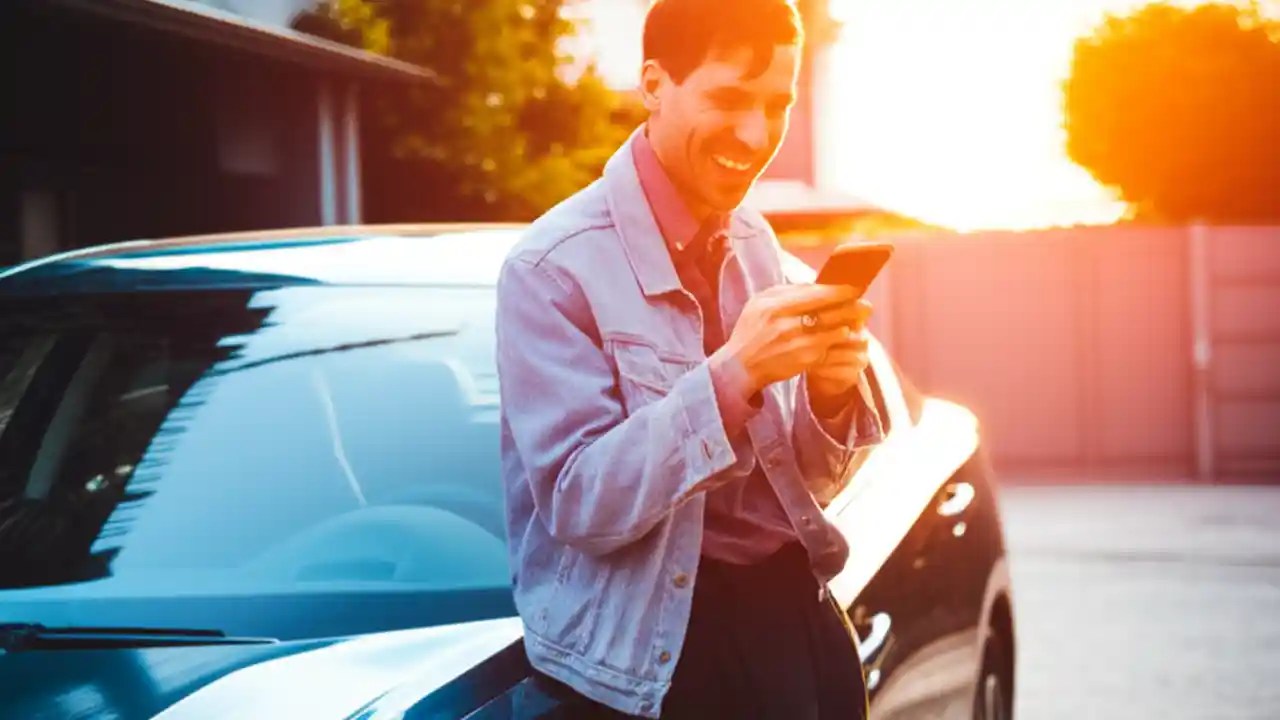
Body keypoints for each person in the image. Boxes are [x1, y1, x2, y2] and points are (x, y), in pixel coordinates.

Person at [495, 0, 883, 716]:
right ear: (652, 84)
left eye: (777, 104)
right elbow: (581, 503)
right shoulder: (551, 271)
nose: (757, 133)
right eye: (729, 99)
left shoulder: (757, 242)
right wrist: (732, 377)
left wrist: (828, 396)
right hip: (656, 665)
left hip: (799, 631)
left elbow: (801, 491)